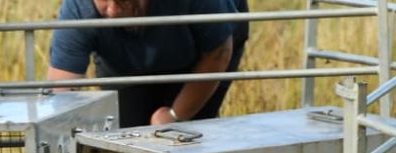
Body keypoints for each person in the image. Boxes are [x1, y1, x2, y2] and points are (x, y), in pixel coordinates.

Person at [47, 0, 249, 129]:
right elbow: (61, 88)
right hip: (123, 62)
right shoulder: (78, 8)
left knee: (191, 133)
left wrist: (175, 115)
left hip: (205, 52)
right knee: (127, 133)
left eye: (122, 1)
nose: (112, 10)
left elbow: (218, 52)